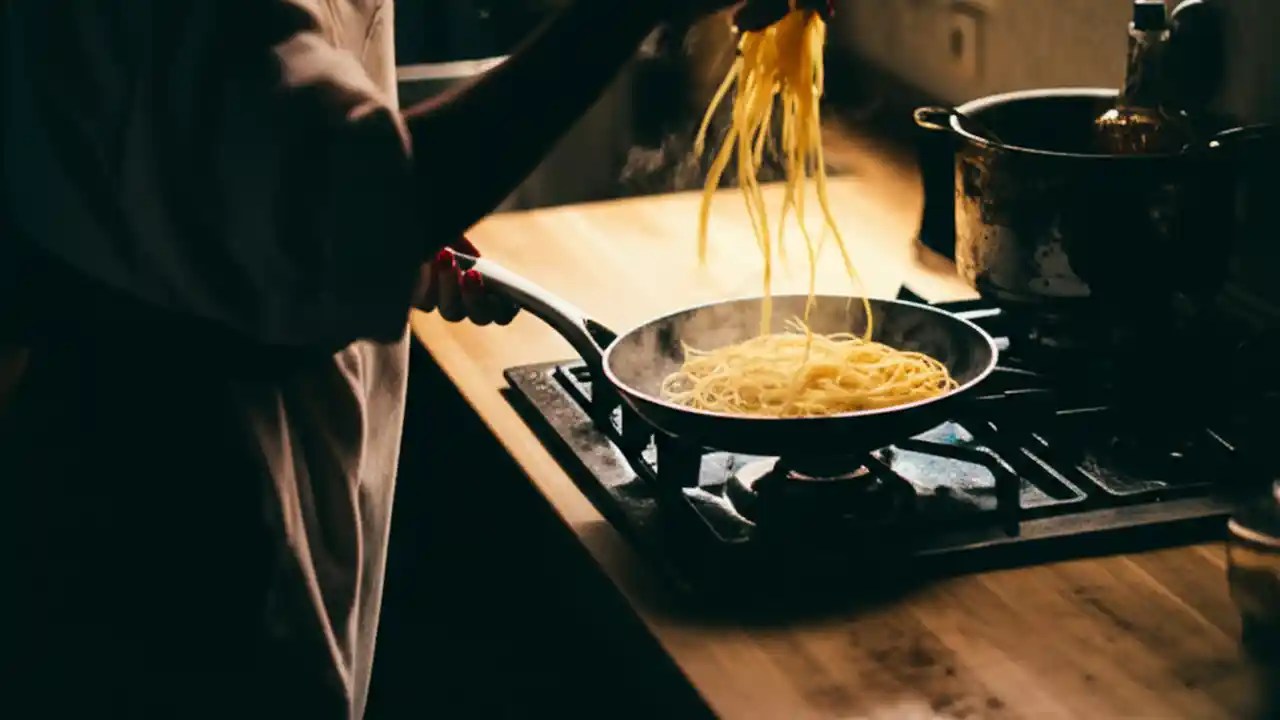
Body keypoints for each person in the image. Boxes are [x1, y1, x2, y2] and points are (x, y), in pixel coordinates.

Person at [0, 1, 738, 718]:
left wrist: (358, 234)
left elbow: (227, 165)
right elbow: (354, 209)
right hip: (170, 512)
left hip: (160, 431)